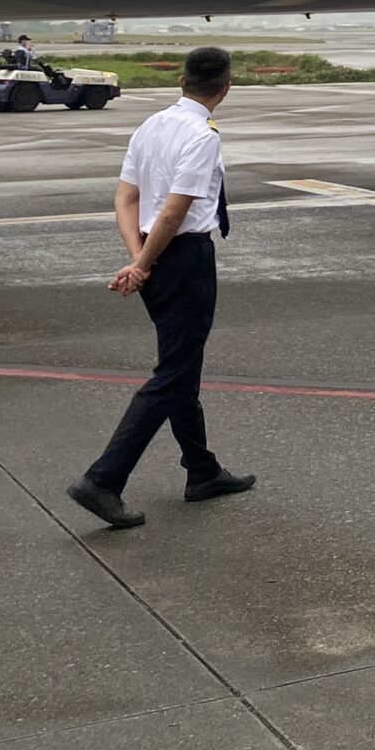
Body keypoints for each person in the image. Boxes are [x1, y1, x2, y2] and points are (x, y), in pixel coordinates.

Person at [67, 45, 255, 528]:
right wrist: (144, 264)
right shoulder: (202, 135)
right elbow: (175, 208)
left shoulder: (152, 125)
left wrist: (137, 258)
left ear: (181, 81)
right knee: (172, 374)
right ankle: (103, 480)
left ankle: (202, 471)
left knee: (181, 365)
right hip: (183, 259)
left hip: (153, 254)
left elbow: (126, 197)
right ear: (226, 88)